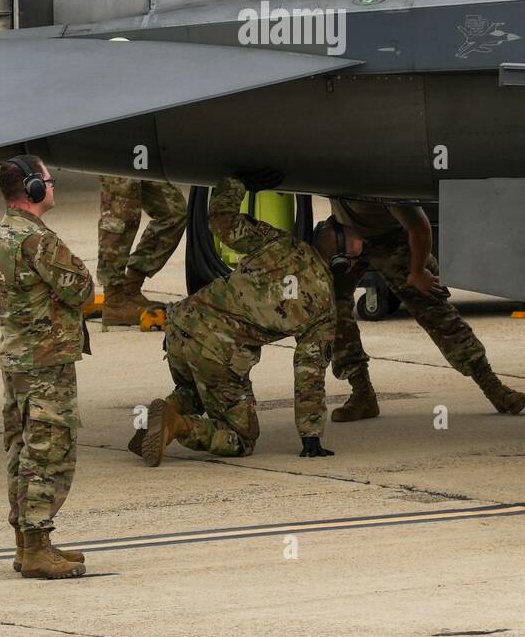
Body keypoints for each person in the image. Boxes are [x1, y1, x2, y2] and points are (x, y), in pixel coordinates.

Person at [132, 170, 357, 464]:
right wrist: (310, 435)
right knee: (241, 438)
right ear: (341, 263)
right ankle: (178, 425)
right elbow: (308, 373)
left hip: (180, 324)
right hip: (217, 350)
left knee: (196, 391)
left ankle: (156, 422)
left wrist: (237, 185)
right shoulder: (323, 307)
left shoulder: (278, 241)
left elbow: (222, 222)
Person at [0, 155, 94, 578]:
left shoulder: (2, 232)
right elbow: (81, 288)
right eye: (49, 180)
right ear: (32, 188)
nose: (53, 185)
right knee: (49, 449)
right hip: (45, 360)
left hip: (18, 356)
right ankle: (36, 546)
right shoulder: (37, 239)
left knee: (23, 448)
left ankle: (29, 542)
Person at [327, 198, 525, 420]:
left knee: (436, 312)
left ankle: (494, 388)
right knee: (331, 310)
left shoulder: (388, 179)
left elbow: (420, 228)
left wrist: (418, 271)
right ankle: (362, 394)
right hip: (346, 238)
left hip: (394, 240)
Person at [97, 176, 187, 325]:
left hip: (144, 155)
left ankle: (131, 286)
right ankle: (114, 299)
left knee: (174, 212)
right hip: (120, 155)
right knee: (120, 218)